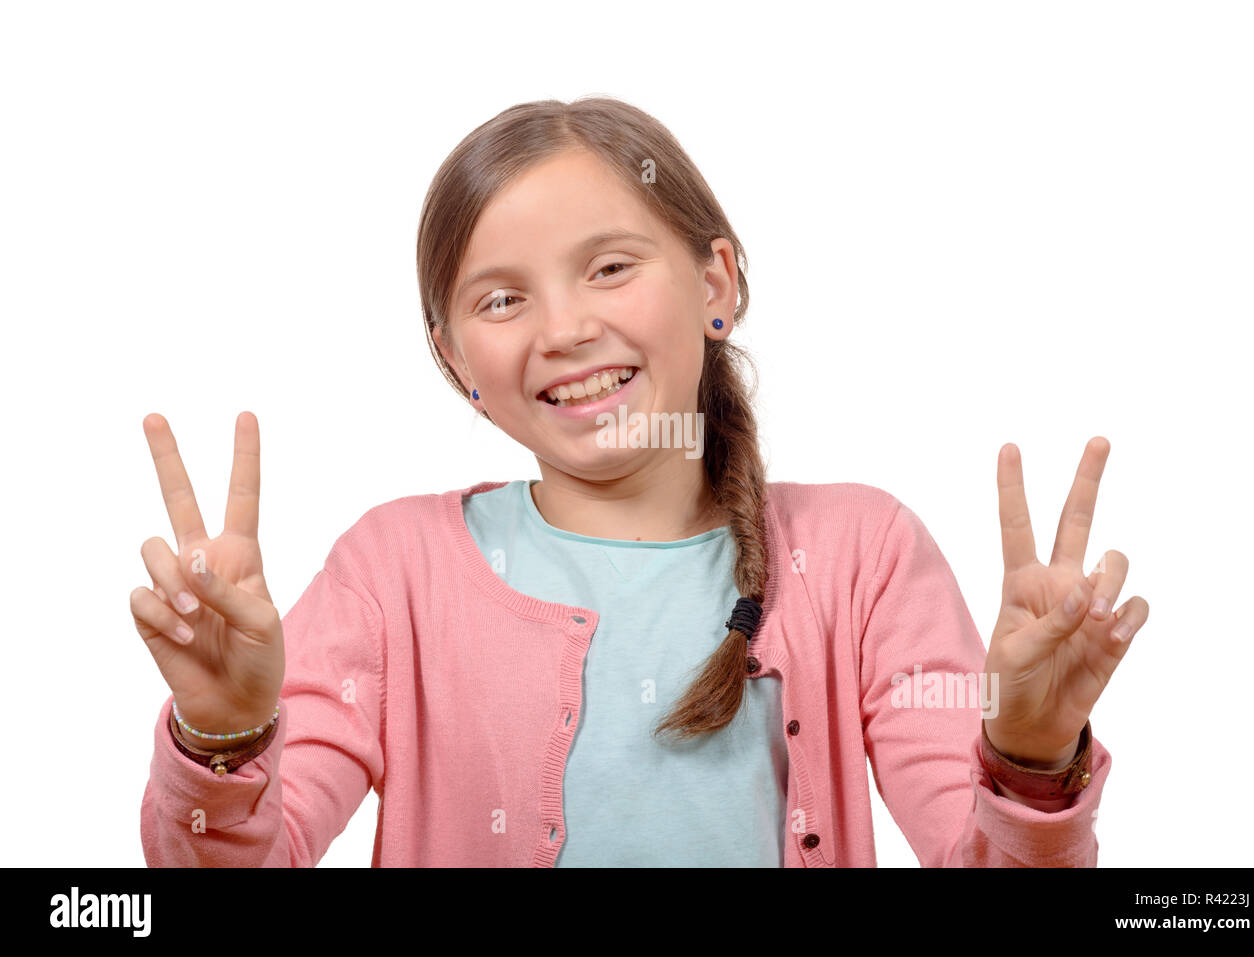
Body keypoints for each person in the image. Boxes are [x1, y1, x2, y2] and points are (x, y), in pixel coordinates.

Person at [133, 96, 1149, 867]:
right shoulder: (393, 569)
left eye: (610, 267)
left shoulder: (861, 555)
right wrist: (222, 737)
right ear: (454, 361)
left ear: (716, 283)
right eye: (501, 298)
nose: (565, 328)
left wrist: (1029, 754)